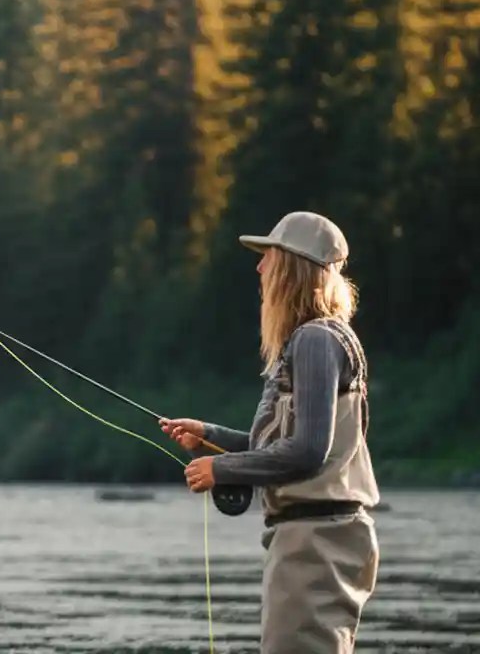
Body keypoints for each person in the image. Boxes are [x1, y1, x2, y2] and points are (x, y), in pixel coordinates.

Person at [160, 211, 380, 653]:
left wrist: (221, 468)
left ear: (294, 267)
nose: (259, 268)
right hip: (314, 538)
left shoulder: (316, 341)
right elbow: (294, 445)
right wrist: (212, 436)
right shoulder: (318, 338)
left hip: (317, 542)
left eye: (269, 258)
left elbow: (307, 453)